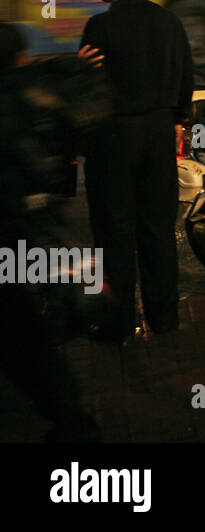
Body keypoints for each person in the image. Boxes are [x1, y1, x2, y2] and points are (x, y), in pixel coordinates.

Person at [78, 0, 193, 341]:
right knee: (157, 229)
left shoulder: (101, 26)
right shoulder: (170, 22)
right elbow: (185, 77)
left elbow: (89, 90)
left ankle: (117, 321)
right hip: (160, 134)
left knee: (113, 229)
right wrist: (179, 120)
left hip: (115, 137)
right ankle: (164, 318)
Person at [0, 23, 107, 440]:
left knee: (22, 335)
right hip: (21, 234)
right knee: (28, 338)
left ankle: (70, 422)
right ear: (21, 58)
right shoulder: (28, 94)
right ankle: (71, 421)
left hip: (15, 234)